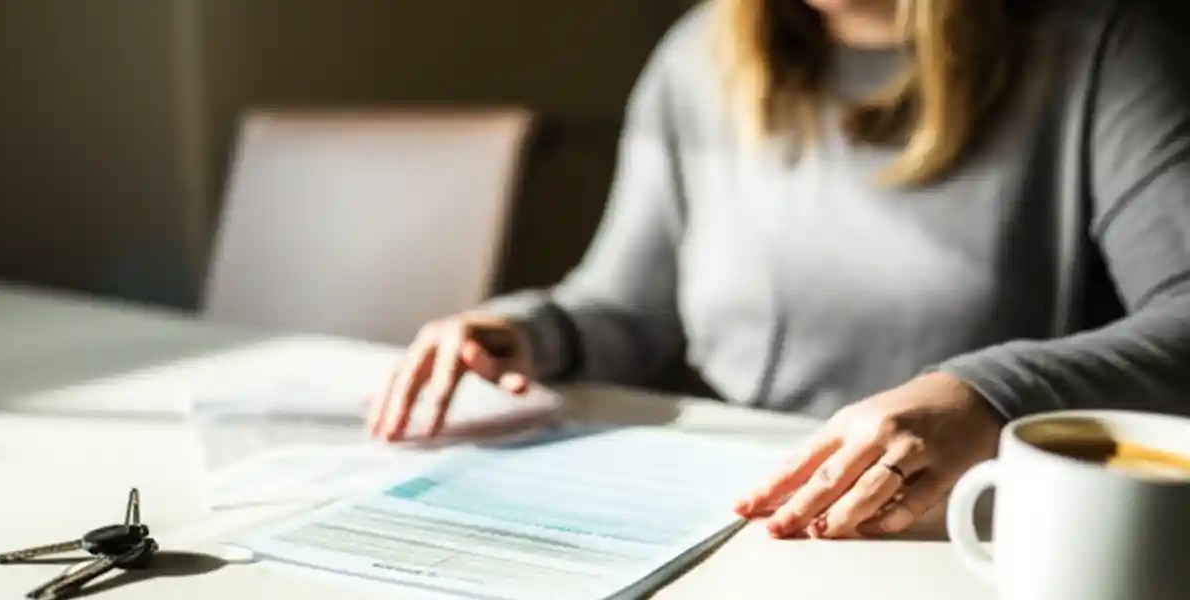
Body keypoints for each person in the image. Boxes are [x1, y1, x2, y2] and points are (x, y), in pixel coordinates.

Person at [369, 0, 1190, 539]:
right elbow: (625, 305)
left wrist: (987, 395)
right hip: (736, 514)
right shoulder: (698, 53)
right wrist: (527, 332)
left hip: (959, 531)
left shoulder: (1105, 49)